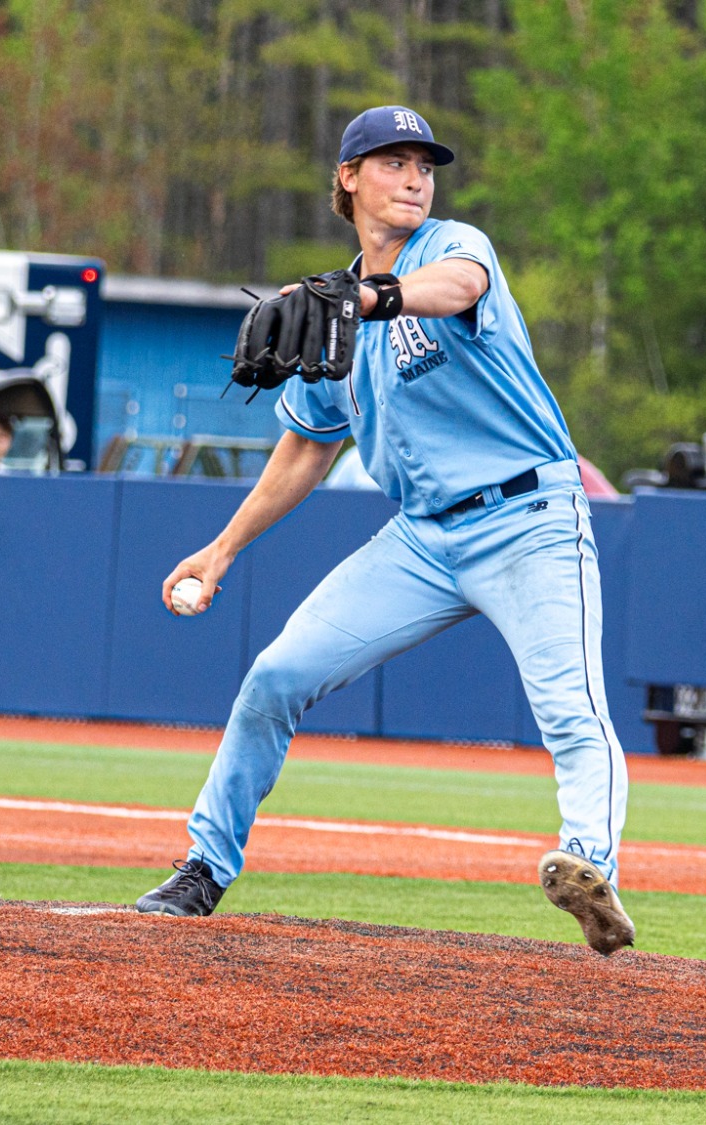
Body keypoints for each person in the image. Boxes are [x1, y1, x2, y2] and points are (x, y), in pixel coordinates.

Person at [135, 105, 635, 955]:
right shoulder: (334, 310)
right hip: (423, 539)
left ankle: (589, 867)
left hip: (530, 519)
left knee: (571, 709)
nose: (414, 179)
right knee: (275, 676)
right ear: (348, 178)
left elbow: (460, 288)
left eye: (424, 166)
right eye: (393, 162)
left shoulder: (449, 248)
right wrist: (221, 549)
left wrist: (369, 297)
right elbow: (306, 448)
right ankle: (203, 867)